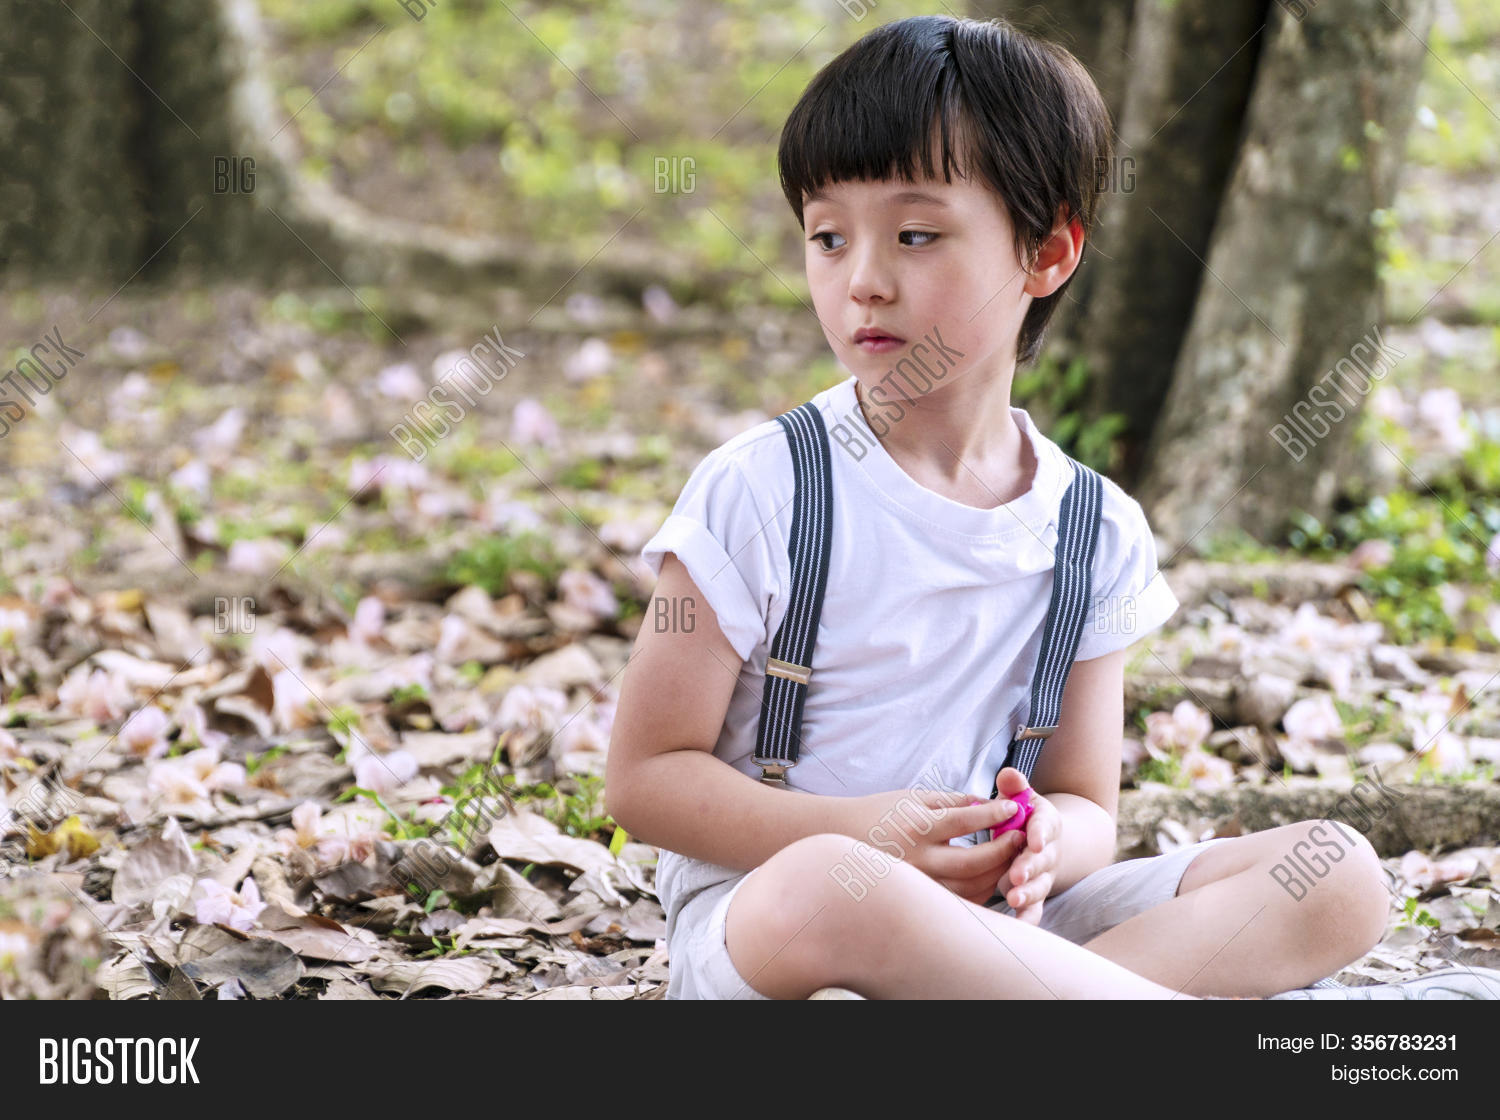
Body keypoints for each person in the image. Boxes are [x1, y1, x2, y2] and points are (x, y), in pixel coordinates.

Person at [604, 14, 1499, 1000]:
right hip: (787, 927)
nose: (862, 280)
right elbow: (644, 780)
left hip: (1007, 932)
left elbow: (1086, 805)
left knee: (1335, 874)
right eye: (827, 236)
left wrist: (1040, 842)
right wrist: (870, 835)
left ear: (1049, 251)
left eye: (915, 233)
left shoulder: (1094, 527)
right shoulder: (764, 490)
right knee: (836, 886)